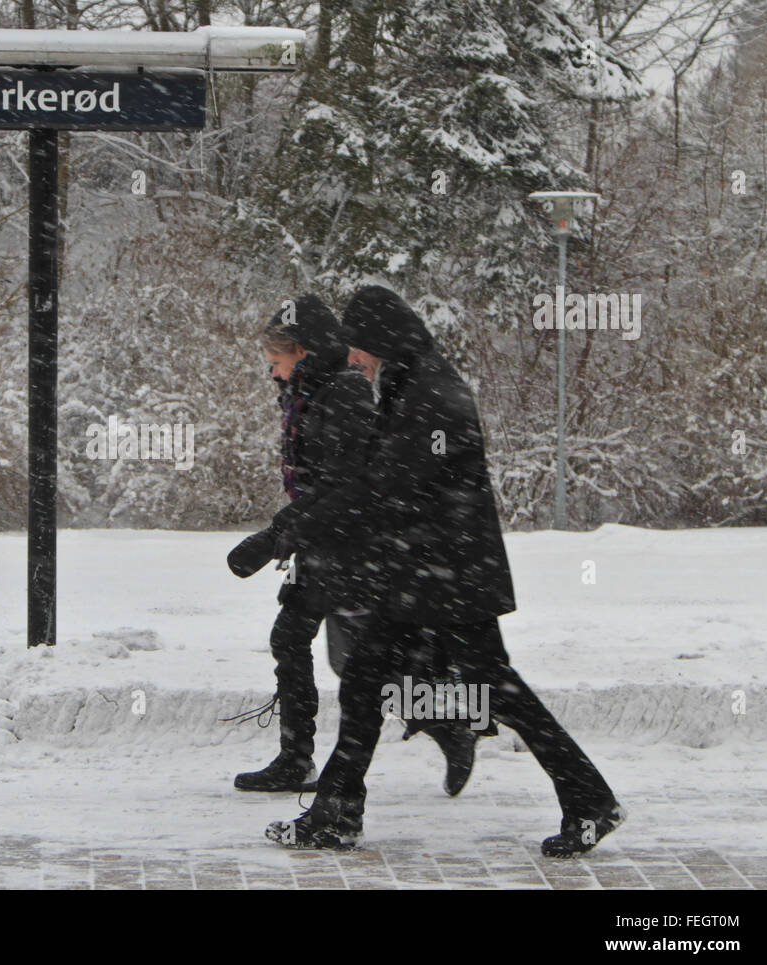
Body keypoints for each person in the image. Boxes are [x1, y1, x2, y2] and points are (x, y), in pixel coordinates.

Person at [257, 285, 625, 857]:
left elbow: (385, 488)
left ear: (381, 339)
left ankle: (590, 801)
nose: (353, 357)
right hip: (425, 573)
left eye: (359, 346)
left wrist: (288, 531)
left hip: (446, 578)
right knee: (365, 684)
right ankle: (336, 812)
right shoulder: (412, 383)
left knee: (498, 691)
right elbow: (384, 485)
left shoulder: (433, 394)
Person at [227, 295, 488, 796]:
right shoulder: (311, 391)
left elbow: (343, 485)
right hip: (321, 538)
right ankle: (300, 759)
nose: (274, 374)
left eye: (276, 362)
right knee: (312, 645)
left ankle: (434, 729)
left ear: (301, 352)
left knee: (364, 661)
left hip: (350, 546)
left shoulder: (342, 394)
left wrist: (273, 536)